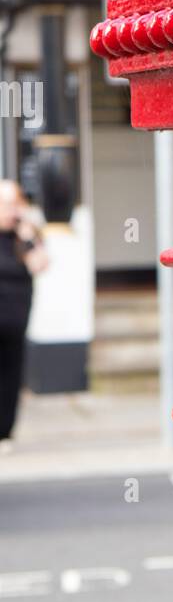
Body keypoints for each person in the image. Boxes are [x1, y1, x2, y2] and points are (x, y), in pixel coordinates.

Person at [0, 181, 48, 449]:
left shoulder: (24, 237)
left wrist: (29, 238)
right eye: (4, 205)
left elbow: (41, 264)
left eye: (13, 204)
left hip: (15, 323)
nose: (8, 211)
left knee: (10, 380)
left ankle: (5, 433)